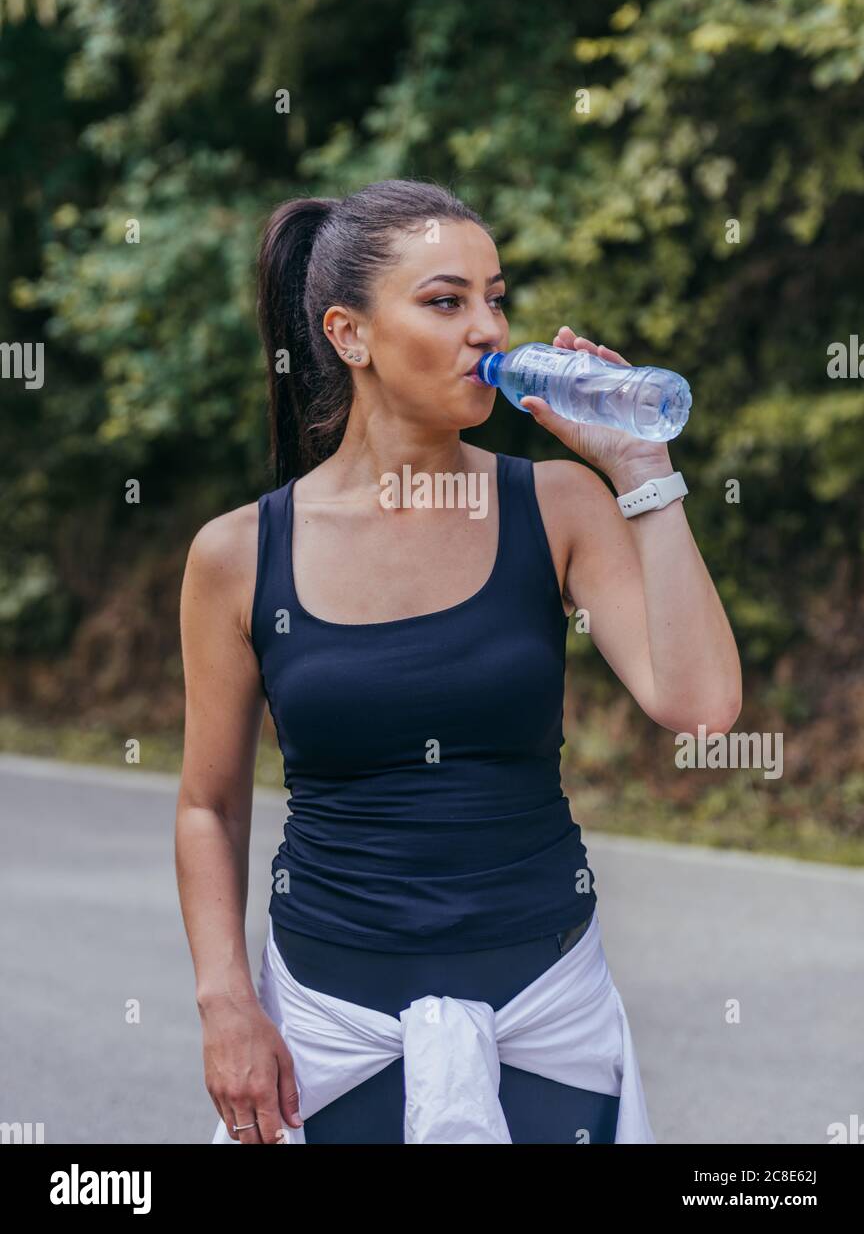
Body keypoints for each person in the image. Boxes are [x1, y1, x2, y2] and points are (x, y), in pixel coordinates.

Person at [176, 177, 741, 1144]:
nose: (487, 328)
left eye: (496, 296)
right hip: (328, 1024)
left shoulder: (557, 504)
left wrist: (642, 471)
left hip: (544, 1015)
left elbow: (698, 707)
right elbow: (208, 804)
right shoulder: (238, 554)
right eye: (446, 301)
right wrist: (226, 1003)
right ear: (349, 335)